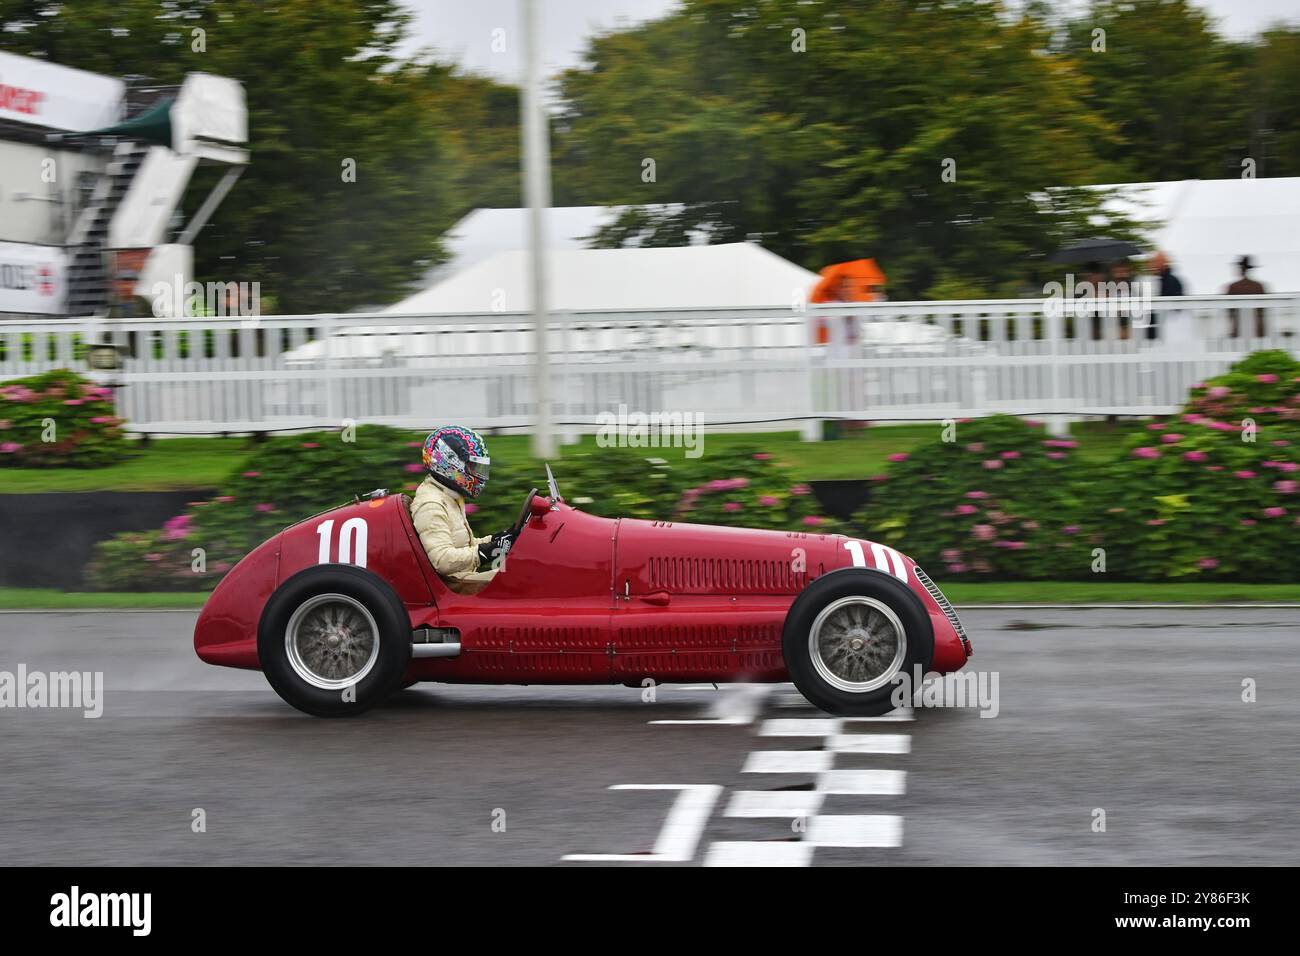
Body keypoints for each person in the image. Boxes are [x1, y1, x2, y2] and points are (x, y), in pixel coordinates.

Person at [410, 425, 510, 595]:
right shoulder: (431, 504)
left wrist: (498, 539)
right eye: (472, 467)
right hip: (454, 586)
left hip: (462, 580)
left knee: (525, 573)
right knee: (522, 581)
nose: (477, 474)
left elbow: (462, 544)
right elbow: (443, 560)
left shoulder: (447, 496)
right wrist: (492, 551)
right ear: (450, 463)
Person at [1225, 255, 1267, 339]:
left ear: (1241, 269)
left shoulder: (1233, 286)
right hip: (1257, 327)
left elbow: (1229, 310)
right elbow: (1263, 309)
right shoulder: (1259, 286)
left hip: (1238, 327)